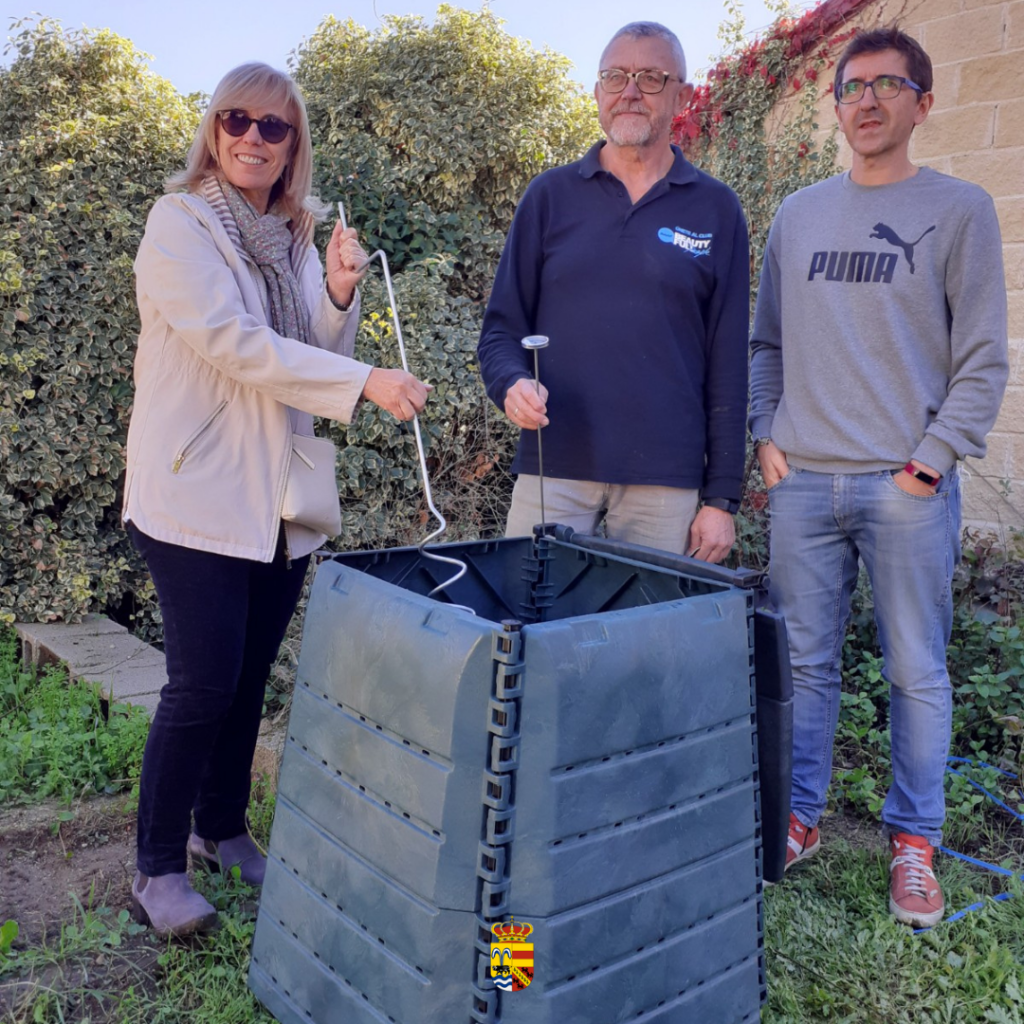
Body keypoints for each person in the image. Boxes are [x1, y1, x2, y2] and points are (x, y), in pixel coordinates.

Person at [122, 62, 431, 938]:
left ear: (294, 144)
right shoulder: (178, 225)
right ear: (213, 130)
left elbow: (308, 344)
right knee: (201, 684)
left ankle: (220, 830)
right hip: (194, 492)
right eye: (237, 119)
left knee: (249, 677)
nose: (253, 137)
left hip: (277, 499)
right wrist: (366, 379)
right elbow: (236, 345)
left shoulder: (288, 235)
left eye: (275, 126)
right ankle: (156, 867)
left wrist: (336, 292)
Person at [749, 27, 1008, 927]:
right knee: (806, 667)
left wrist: (929, 466)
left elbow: (982, 360)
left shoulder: (962, 208)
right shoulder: (798, 215)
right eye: (851, 87)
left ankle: (914, 844)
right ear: (838, 106)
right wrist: (764, 434)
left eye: (888, 85)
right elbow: (766, 344)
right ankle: (801, 819)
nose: (865, 101)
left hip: (904, 489)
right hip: (803, 486)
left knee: (916, 672)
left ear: (922, 104)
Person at [477, 22, 749, 561]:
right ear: (598, 92)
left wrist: (721, 498)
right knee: (529, 623)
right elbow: (501, 331)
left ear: (682, 96)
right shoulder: (549, 197)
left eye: (650, 77)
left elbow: (729, 364)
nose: (630, 91)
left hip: (664, 483)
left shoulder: (716, 209)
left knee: (645, 635)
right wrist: (510, 385)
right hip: (552, 464)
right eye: (615, 76)